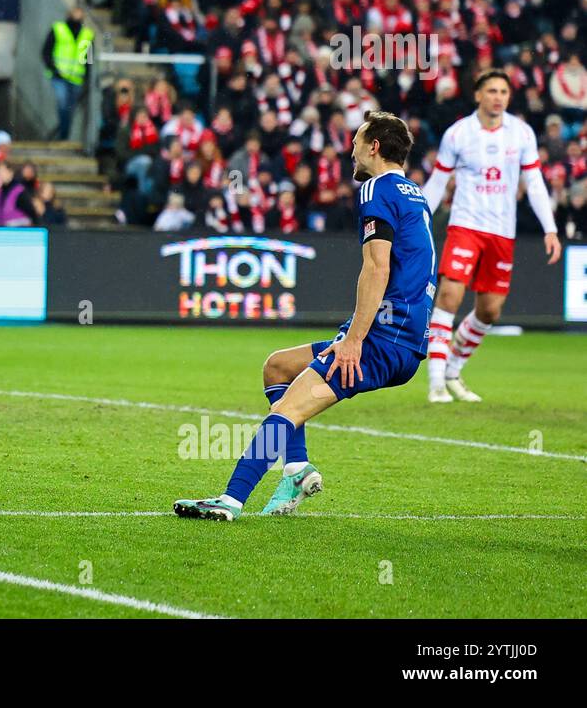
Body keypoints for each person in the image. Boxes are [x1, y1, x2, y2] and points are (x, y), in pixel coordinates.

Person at [174, 112, 436, 520]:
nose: (350, 147)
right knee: (278, 367)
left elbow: (377, 268)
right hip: (407, 338)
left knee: (286, 413)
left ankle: (230, 500)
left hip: (383, 339)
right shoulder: (415, 194)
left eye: (356, 139)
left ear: (374, 147)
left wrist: (354, 341)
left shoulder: (376, 189)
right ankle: (296, 469)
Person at [420, 70, 562, 403]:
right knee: (450, 296)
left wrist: (550, 228)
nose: (498, 97)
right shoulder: (458, 134)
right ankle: (436, 381)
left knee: (490, 311)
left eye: (503, 91)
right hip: (466, 225)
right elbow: (438, 182)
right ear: (478, 96)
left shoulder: (522, 133)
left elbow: (536, 183)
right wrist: (417, 220)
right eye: (492, 91)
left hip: (502, 231)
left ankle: (453, 371)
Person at [41, 6, 94, 140]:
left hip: (76, 79)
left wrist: (87, 77)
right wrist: (54, 69)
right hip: (59, 76)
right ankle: (63, 136)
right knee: (63, 103)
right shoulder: (58, 29)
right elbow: (46, 51)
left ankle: (64, 135)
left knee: (70, 109)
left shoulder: (87, 34)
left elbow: (88, 60)